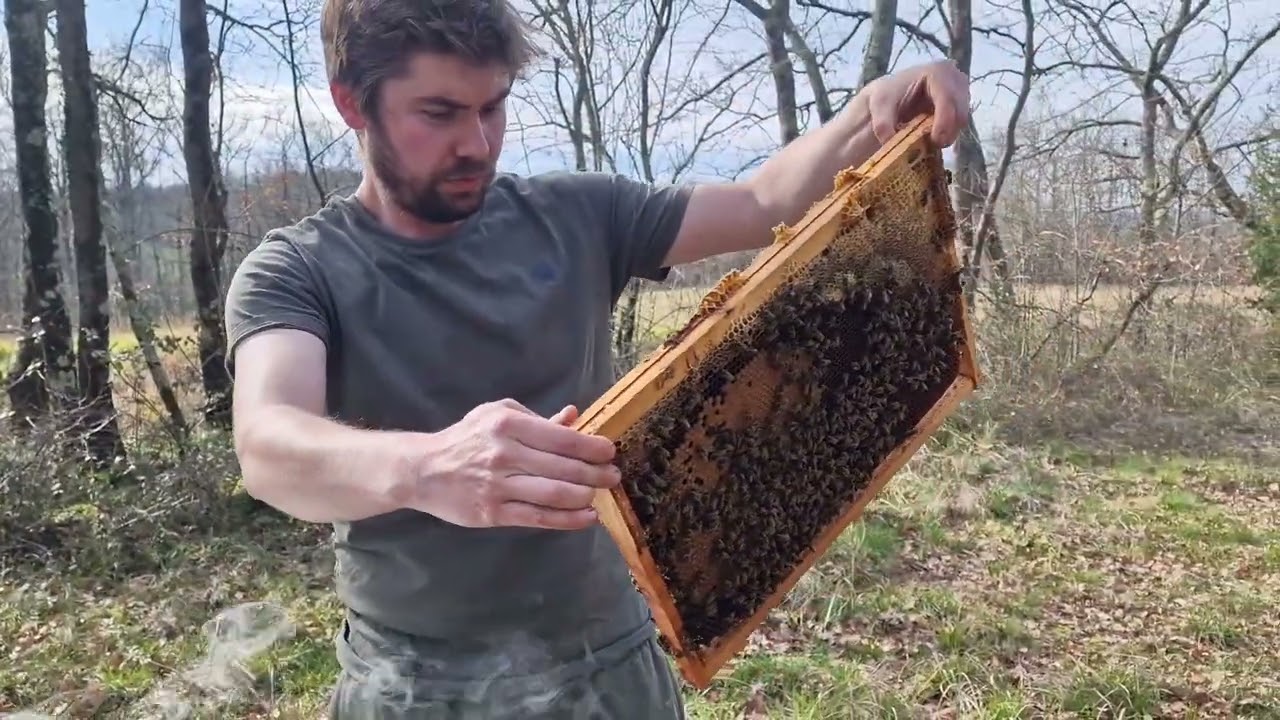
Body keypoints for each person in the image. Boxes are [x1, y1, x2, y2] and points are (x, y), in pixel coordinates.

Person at [223, 0, 970, 717]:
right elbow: (269, 444)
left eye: (493, 107)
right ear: (353, 104)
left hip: (608, 666)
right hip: (417, 682)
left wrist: (872, 108)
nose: (478, 143)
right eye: (440, 113)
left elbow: (758, 203)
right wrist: (424, 468)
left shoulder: (575, 214)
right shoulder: (298, 269)